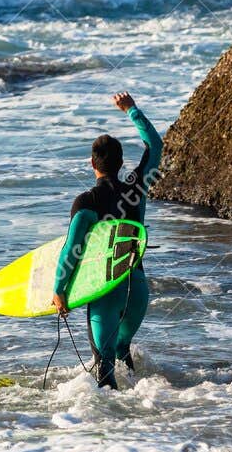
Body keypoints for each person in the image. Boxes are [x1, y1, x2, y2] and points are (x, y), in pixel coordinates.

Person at [52, 91, 162, 388]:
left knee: (104, 372)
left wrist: (59, 289)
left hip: (105, 292)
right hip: (136, 288)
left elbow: (72, 250)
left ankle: (113, 430)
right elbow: (155, 147)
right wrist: (131, 110)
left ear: (92, 163)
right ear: (121, 162)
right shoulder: (136, 188)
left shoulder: (86, 201)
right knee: (124, 352)